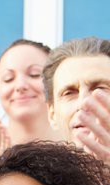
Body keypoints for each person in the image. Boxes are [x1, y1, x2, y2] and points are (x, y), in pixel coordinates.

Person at [44, 37, 110, 165]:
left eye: (100, 88)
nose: (83, 103)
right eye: (69, 93)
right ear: (52, 114)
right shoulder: (31, 183)